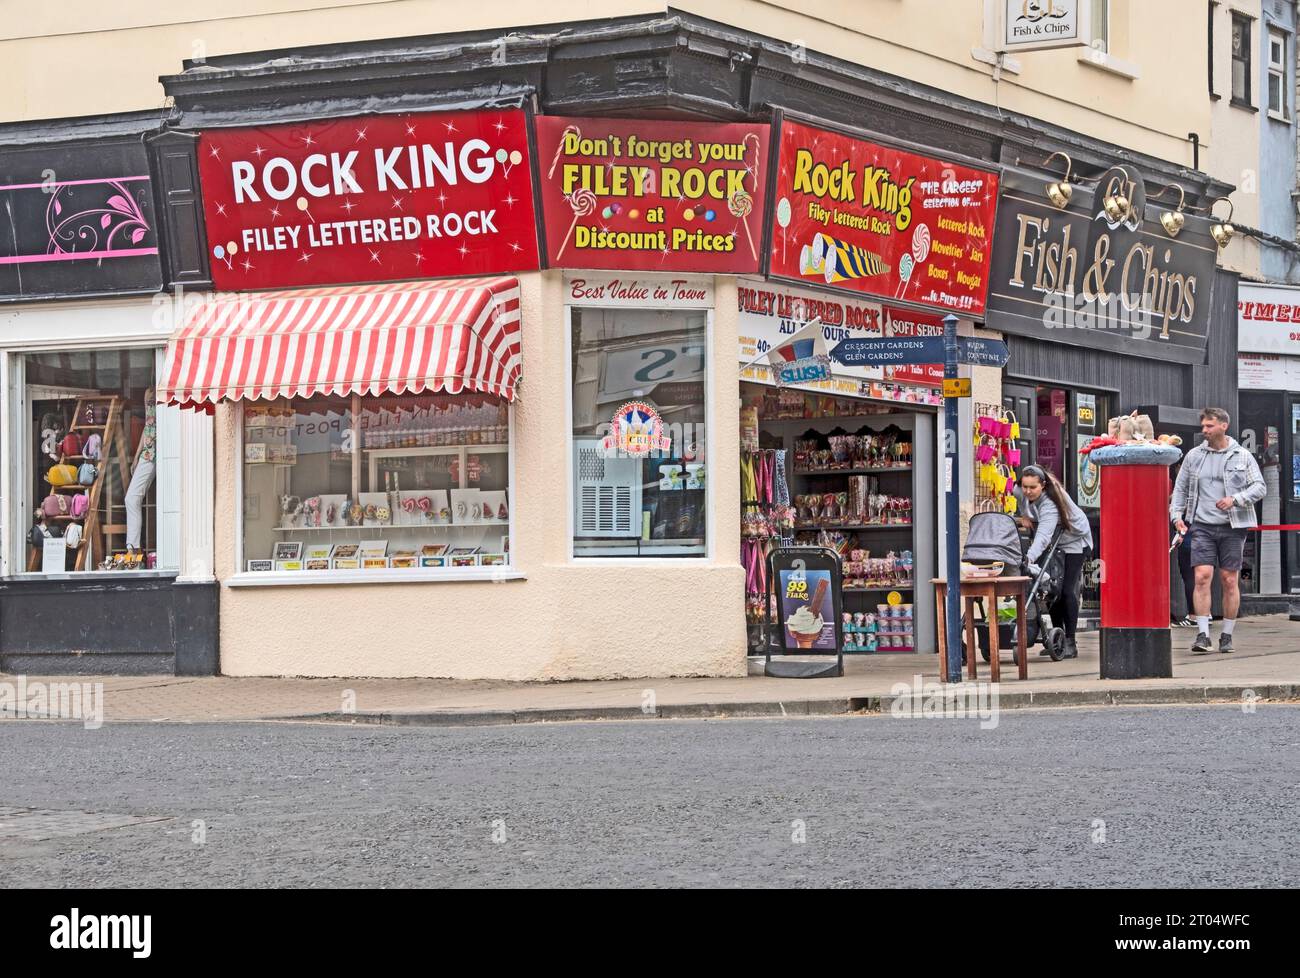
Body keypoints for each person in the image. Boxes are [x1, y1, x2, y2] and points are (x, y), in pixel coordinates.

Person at [1170, 407, 1266, 654]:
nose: (1204, 430)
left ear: (1223, 426)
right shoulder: (1193, 456)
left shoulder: (1242, 455)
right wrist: (1177, 517)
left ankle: (1227, 635)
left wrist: (1235, 499)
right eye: (1203, 426)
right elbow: (1180, 490)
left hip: (1233, 527)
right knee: (1202, 576)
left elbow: (1259, 487)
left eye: (1209, 426)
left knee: (1229, 580)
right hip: (1201, 525)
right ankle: (1202, 634)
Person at [1019, 464, 1093, 658]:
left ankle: (1070, 641)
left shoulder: (1050, 504)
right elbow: (1019, 498)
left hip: (1075, 542)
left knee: (1067, 590)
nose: (1027, 491)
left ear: (1043, 485)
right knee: (1051, 588)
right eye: (1024, 486)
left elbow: (1043, 536)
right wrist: (1023, 516)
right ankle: (1056, 638)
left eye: (1032, 487)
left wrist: (1029, 558)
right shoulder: (1021, 492)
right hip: (1055, 543)